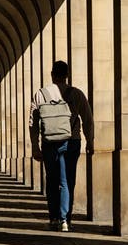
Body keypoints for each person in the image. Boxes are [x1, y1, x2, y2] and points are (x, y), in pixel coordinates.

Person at [29, 60, 94, 231]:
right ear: (67, 75)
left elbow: (33, 122)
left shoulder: (41, 94)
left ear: (52, 74)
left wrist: (35, 146)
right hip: (71, 141)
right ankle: (65, 219)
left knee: (51, 180)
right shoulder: (76, 94)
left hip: (49, 142)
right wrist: (90, 141)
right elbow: (87, 119)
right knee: (67, 181)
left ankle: (54, 218)